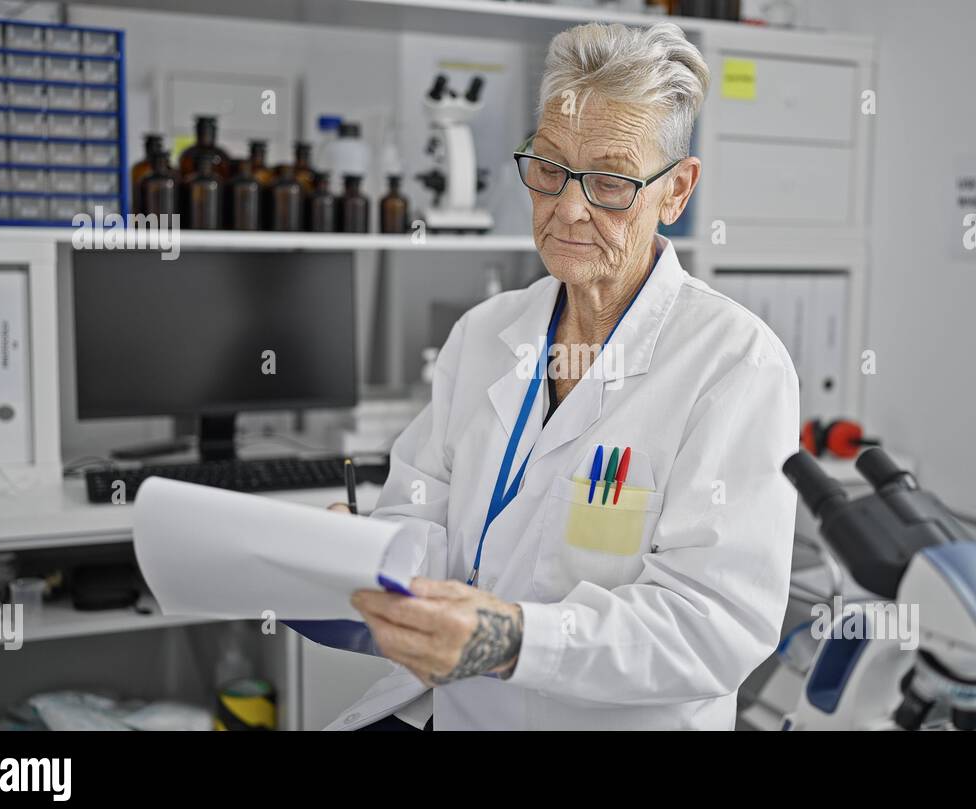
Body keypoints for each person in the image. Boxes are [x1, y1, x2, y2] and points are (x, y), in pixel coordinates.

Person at [331, 21, 799, 730]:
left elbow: (714, 622)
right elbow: (420, 511)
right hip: (455, 712)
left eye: (610, 181)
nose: (568, 207)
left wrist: (517, 638)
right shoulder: (485, 334)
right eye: (548, 168)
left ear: (676, 191)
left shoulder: (736, 364)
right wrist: (370, 553)